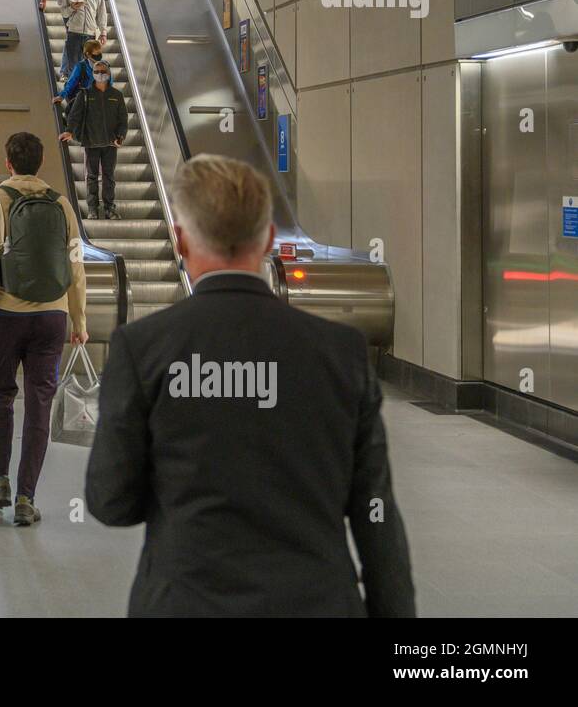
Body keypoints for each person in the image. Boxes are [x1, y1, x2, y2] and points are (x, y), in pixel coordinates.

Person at [86, 154, 416, 617]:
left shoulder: (142, 348)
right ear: (267, 239)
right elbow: (375, 514)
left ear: (180, 240)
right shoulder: (341, 352)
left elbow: (110, 501)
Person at [0, 132, 87, 526]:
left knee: (1, 393)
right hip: (52, 315)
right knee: (39, 403)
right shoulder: (62, 205)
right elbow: (76, 268)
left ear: (8, 163)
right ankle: (27, 497)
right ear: (41, 163)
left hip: (5, 312)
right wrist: (79, 321)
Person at [61, 60, 127, 220]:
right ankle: (92, 209)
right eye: (96, 71)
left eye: (103, 71)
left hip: (110, 143)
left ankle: (109, 208)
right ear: (93, 74)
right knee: (91, 177)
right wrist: (69, 131)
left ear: (109, 73)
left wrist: (121, 136)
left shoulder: (117, 96)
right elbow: (75, 115)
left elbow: (123, 119)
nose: (100, 74)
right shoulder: (85, 94)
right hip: (91, 142)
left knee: (108, 176)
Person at [61, 0, 108, 83]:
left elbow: (101, 13)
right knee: (73, 69)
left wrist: (103, 32)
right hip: (74, 34)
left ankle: (86, 97)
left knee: (90, 68)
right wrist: (73, 7)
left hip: (90, 35)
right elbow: (64, 13)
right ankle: (73, 99)